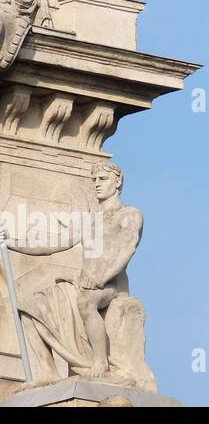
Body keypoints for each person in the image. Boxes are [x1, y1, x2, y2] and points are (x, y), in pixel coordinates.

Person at [0, 163, 142, 382]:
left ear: (118, 182)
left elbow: (126, 251)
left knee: (86, 302)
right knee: (28, 308)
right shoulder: (90, 220)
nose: (97, 185)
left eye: (102, 179)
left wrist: (101, 278)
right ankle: (48, 371)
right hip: (82, 283)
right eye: (94, 180)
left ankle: (100, 361)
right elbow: (52, 243)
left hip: (110, 286)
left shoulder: (130, 215)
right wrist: (12, 242)